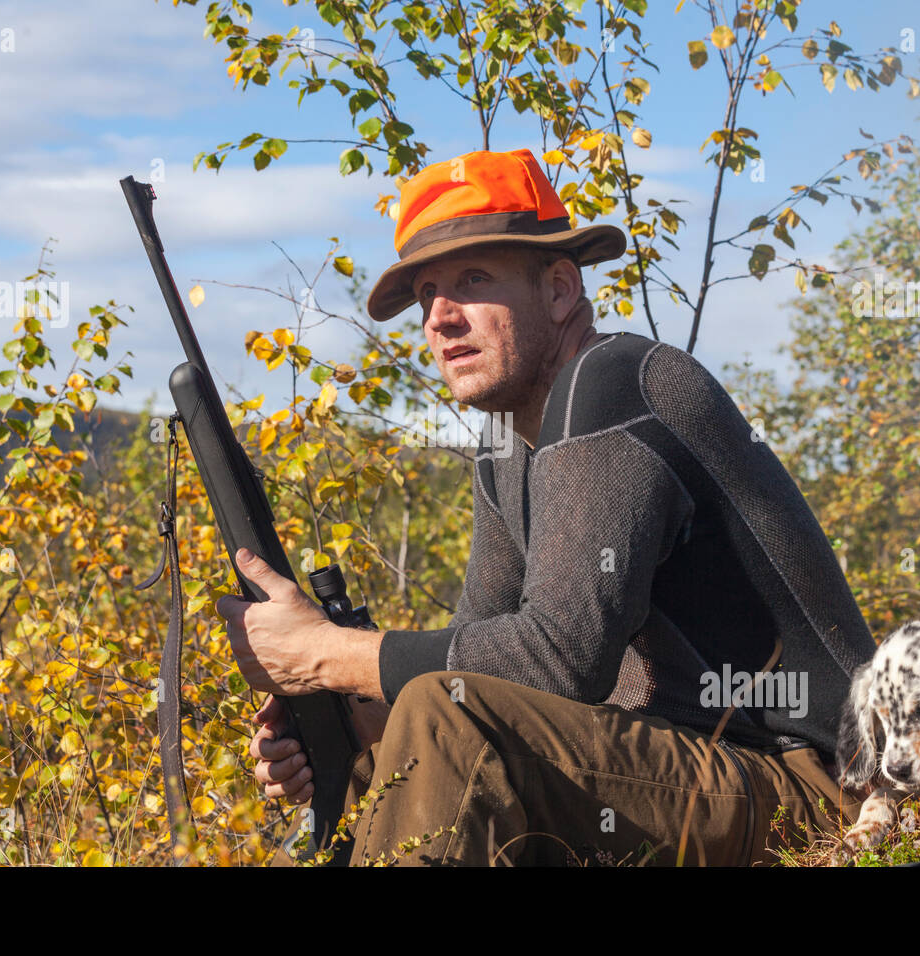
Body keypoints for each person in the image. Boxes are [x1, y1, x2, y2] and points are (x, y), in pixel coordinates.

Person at [216, 147, 877, 866]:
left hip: (808, 782)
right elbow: (478, 660)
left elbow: (561, 660)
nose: (439, 317)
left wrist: (327, 655)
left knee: (442, 719)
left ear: (560, 290)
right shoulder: (507, 444)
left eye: (473, 280)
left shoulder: (614, 381)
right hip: (694, 772)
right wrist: (353, 724)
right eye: (427, 293)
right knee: (385, 750)